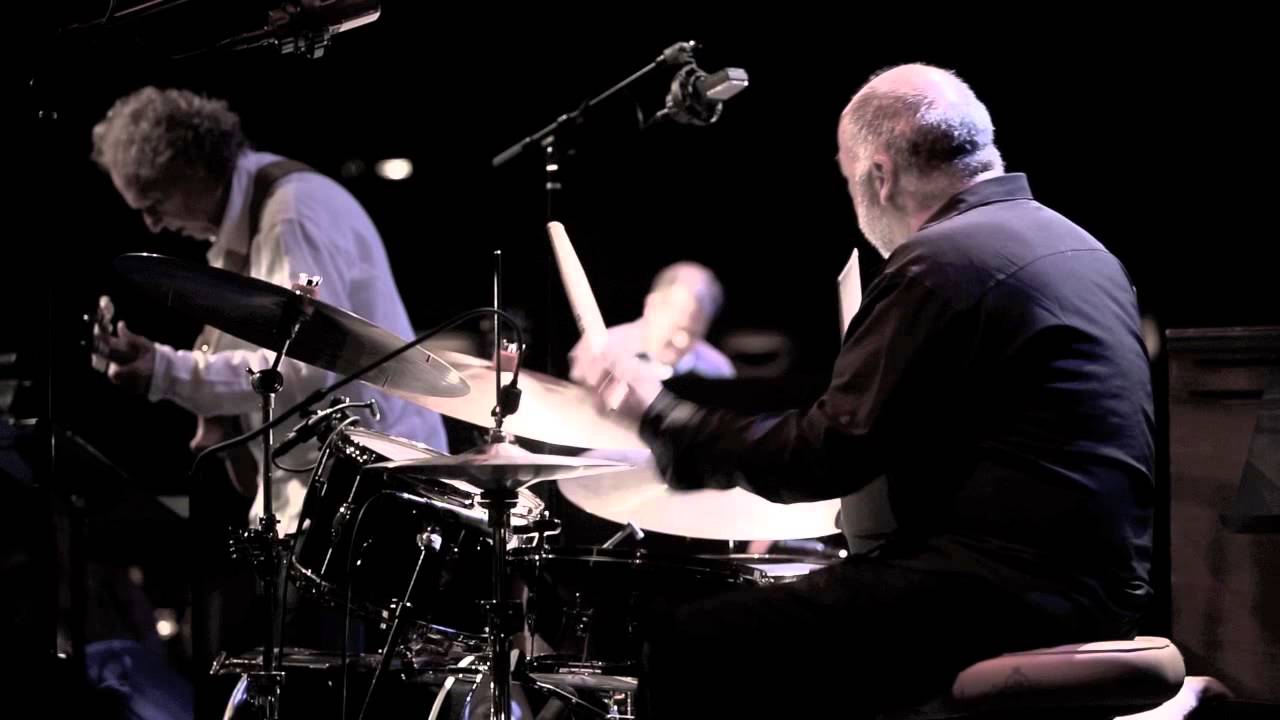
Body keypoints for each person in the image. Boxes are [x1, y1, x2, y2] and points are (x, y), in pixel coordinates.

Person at [572, 63, 1155, 718]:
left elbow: (822, 456)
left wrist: (659, 413)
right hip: (1104, 591)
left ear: (880, 174)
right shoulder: (1084, 251)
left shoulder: (941, 263)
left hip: (1000, 595)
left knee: (693, 642)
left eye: (849, 180)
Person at [89, 86, 449, 535]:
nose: (153, 224)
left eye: (155, 203)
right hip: (336, 493)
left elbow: (302, 372)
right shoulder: (258, 212)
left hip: (373, 496)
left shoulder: (290, 218)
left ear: (192, 168)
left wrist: (164, 371)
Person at [570, 260, 736, 381]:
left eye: (694, 334)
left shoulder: (718, 370)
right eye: (678, 328)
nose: (682, 342)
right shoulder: (599, 350)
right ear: (652, 306)